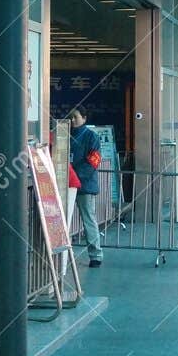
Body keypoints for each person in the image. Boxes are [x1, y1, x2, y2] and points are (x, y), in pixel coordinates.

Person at [67, 108, 104, 268]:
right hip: (66, 183)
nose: (72, 120)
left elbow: (93, 161)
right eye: (70, 117)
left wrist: (75, 176)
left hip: (84, 185)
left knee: (88, 219)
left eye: (75, 117)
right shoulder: (64, 135)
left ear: (84, 118)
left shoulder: (91, 137)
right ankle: (61, 253)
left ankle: (96, 255)